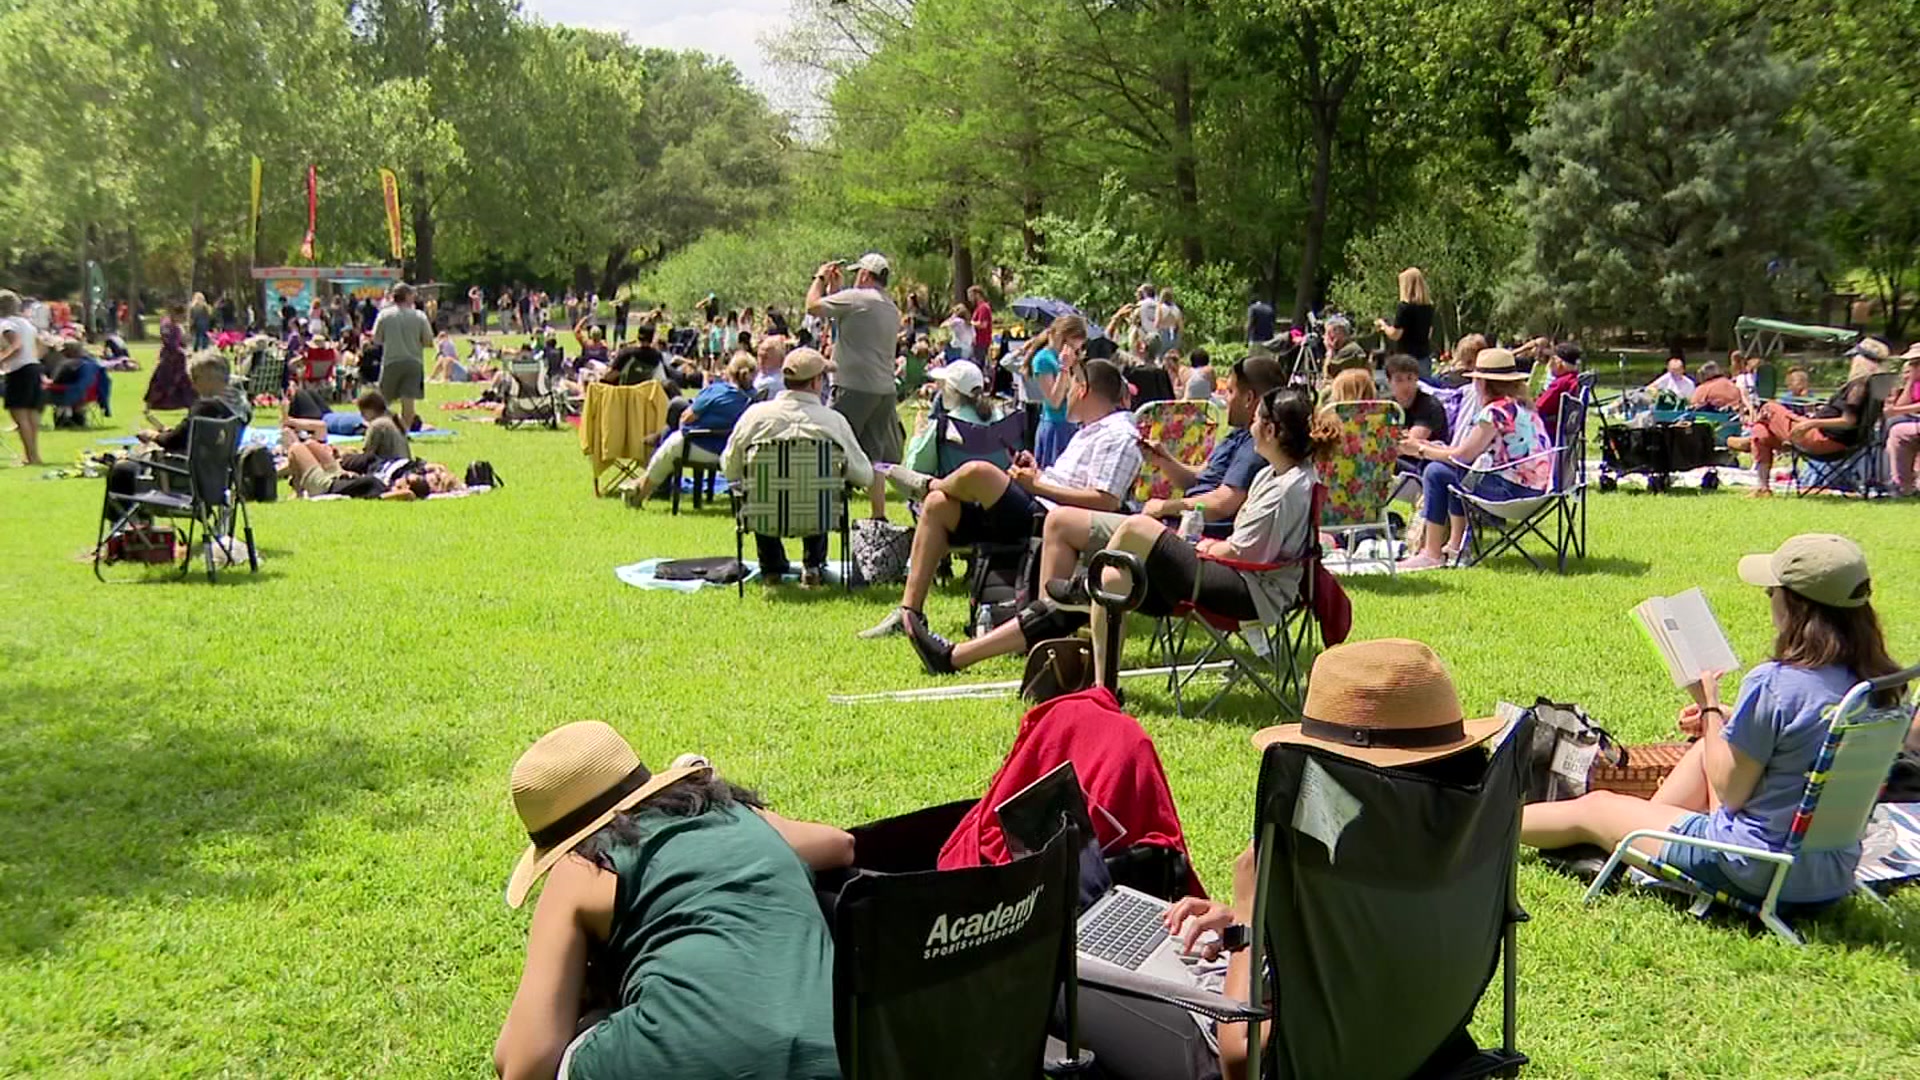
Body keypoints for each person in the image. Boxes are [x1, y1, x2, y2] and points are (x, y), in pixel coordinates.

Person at [1127, 639, 1505, 1080]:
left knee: (1072, 986)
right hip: (1425, 1055)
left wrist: (1245, 919)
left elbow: (1239, 1058)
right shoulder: (1466, 846)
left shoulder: (1348, 873)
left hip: (1277, 1059)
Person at [1522, 534, 1903, 912]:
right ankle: (1631, 852)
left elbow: (1730, 790)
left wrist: (1709, 707)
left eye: (1772, 592)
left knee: (1596, 807)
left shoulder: (1775, 683)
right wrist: (1724, 723)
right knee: (1707, 747)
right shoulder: (1879, 685)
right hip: (1829, 872)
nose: (1770, 601)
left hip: (1755, 868)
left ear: (1796, 605)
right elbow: (1801, 737)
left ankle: (1475, 826)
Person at [491, 722, 847, 1080]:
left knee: (582, 1040)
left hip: (682, 1058)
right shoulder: (736, 815)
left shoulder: (578, 870)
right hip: (836, 1051)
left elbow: (525, 1066)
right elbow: (842, 845)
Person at [894, 359, 1142, 673]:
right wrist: (1037, 473)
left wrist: (1036, 484)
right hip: (1038, 504)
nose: (1063, 394)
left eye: (1069, 386)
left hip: (1048, 518)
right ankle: (911, 615)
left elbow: (1105, 502)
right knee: (938, 506)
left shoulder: (1119, 435)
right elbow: (1070, 482)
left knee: (978, 472)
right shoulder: (1089, 431)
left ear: (1083, 389)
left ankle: (928, 483)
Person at [1079, 386, 1328, 688]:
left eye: (1256, 418)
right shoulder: (1276, 474)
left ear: (1270, 430)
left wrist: (1205, 545)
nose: (1250, 425)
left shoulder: (1286, 488)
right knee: (1112, 582)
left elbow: (1243, 553)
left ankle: (1084, 585)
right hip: (1241, 578)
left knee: (1136, 528)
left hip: (1252, 591)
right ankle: (1104, 687)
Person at [722, 347, 875, 588]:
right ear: (816, 382)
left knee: (763, 487)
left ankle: (771, 568)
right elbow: (865, 475)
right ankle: (813, 565)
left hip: (764, 516)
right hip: (819, 517)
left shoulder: (755, 416)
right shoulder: (833, 421)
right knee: (815, 487)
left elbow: (729, 465)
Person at [1398, 348, 1552, 570]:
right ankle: (1455, 546)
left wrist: (1420, 450)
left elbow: (1462, 456)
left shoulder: (1495, 412)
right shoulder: (1522, 407)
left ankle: (1431, 553)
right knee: (1451, 473)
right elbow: (1468, 454)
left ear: (1483, 383)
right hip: (1536, 489)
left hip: (1512, 491)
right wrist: (1428, 446)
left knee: (1436, 472)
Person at [1732, 345, 1885, 497]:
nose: (1852, 362)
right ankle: (1762, 485)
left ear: (1862, 361)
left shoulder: (1858, 387)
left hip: (1821, 440)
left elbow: (1848, 421)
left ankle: (1750, 442)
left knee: (1770, 407)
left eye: (1854, 358)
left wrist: (1811, 423)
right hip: (1838, 441)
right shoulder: (1876, 387)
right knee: (1761, 432)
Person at [807, 254, 904, 479]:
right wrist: (836, 292)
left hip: (853, 387)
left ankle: (829, 503)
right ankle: (878, 512)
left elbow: (812, 306)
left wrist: (820, 277)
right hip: (884, 391)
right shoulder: (891, 307)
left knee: (832, 446)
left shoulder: (856, 298)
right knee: (875, 458)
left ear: (865, 274)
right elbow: (851, 323)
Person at [628, 355, 756, 506]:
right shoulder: (754, 396)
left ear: (729, 371)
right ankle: (640, 484)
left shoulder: (717, 391)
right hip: (732, 450)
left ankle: (640, 493)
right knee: (671, 434)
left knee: (670, 438)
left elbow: (686, 418)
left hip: (702, 445)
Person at [282, 389, 412, 460]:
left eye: (362, 412)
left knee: (300, 394)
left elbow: (366, 456)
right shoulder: (392, 421)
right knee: (306, 393)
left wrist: (347, 455)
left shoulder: (378, 425)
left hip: (386, 465)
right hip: (393, 463)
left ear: (370, 410)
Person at [373, 283, 433, 433]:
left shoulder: (384, 315)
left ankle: (382, 430)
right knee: (409, 402)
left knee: (382, 401)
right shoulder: (419, 316)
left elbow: (377, 339)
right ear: (407, 296)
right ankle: (404, 432)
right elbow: (428, 341)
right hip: (413, 362)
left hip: (391, 361)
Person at [1385, 354, 1451, 473]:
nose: (1406, 385)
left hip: (1423, 466)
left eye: (1410, 378)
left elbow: (1409, 445)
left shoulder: (1429, 405)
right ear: (1389, 382)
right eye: (1399, 379)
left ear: (1416, 379)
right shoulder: (1387, 406)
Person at [0, 290, 45, 465]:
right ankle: (35, 455)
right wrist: (34, 358)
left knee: (19, 415)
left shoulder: (5, 324)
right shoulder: (26, 323)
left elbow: (16, 346)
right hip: (33, 367)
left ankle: (29, 456)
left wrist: (2, 360)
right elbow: (42, 345)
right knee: (31, 414)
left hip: (19, 371)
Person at [1374, 267, 1435, 372]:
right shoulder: (1428, 307)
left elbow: (1395, 334)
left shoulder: (1404, 308)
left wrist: (1383, 325)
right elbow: (1429, 333)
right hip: (1424, 357)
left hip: (1406, 359)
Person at [147, 305, 195, 410]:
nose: (182, 319)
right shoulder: (167, 325)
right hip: (168, 358)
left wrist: (185, 348)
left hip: (178, 359)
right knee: (160, 381)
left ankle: (189, 404)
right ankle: (150, 404)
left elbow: (181, 341)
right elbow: (169, 342)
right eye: (181, 316)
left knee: (184, 382)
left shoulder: (177, 326)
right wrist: (181, 350)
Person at [1885, 351, 1920, 496]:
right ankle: (1899, 482)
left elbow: (1900, 409)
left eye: (1915, 363)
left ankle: (1902, 484)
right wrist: (1910, 382)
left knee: (1897, 431)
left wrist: (1896, 410)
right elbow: (1901, 405)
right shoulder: (1916, 384)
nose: (1913, 367)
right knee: (1891, 425)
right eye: (1911, 363)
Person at [1533, 343, 1583, 435]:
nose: (1549, 364)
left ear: (1558, 362)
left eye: (1551, 360)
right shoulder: (1574, 379)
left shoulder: (1560, 383)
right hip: (1563, 431)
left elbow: (1538, 407)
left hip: (1547, 431)